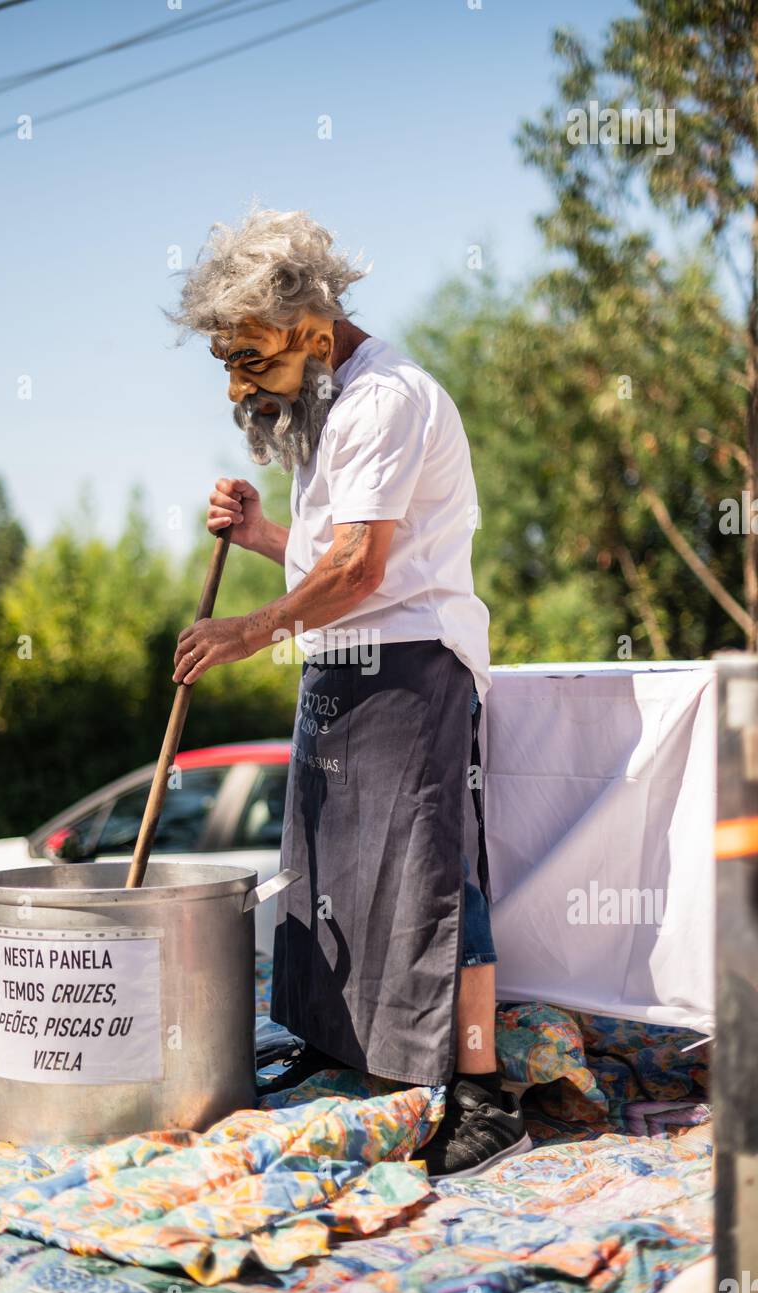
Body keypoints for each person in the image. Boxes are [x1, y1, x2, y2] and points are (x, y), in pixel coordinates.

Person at [170, 208, 530, 1176]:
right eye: (230, 365)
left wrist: (247, 631)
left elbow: (365, 568)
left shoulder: (386, 399)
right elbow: (327, 554)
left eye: (251, 359)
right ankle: (352, 1051)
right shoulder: (330, 412)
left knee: (431, 876)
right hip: (344, 663)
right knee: (332, 871)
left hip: (414, 663)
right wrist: (257, 533)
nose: (241, 384)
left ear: (313, 332)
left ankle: (481, 1094)